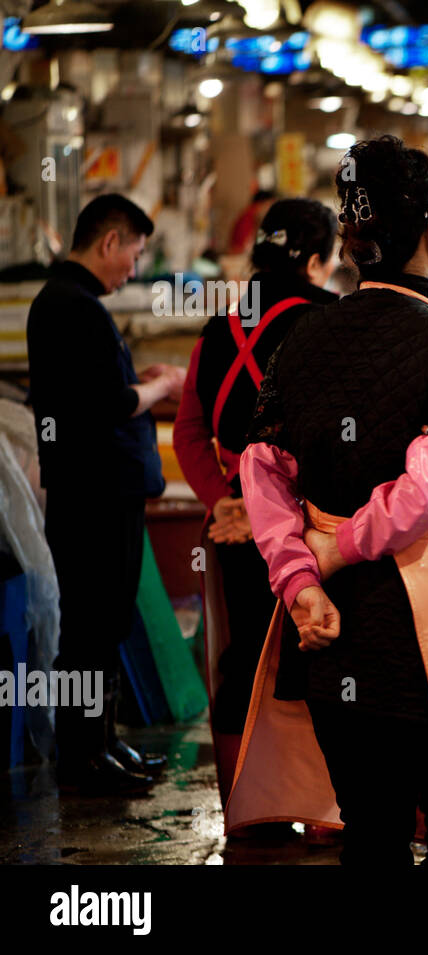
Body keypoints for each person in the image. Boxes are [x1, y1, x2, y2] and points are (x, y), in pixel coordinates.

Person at [230, 135, 428, 865]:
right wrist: (342, 547)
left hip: (330, 634)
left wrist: (301, 581)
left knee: (370, 832)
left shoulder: (301, 338)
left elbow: (261, 470)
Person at [171, 198, 338, 810]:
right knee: (321, 654)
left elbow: (189, 432)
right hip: (311, 523)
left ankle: (245, 810)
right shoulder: (331, 321)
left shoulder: (217, 329)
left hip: (235, 530)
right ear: (316, 262)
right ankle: (322, 813)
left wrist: (226, 503)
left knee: (243, 660)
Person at [26, 194, 180, 794]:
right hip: (92, 496)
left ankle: (102, 743)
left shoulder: (68, 302)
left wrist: (135, 384)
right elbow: (109, 405)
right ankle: (83, 756)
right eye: (133, 255)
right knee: (91, 628)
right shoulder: (74, 306)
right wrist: (159, 387)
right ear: (109, 242)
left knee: (103, 623)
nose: (133, 269)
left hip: (93, 491)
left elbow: (89, 396)